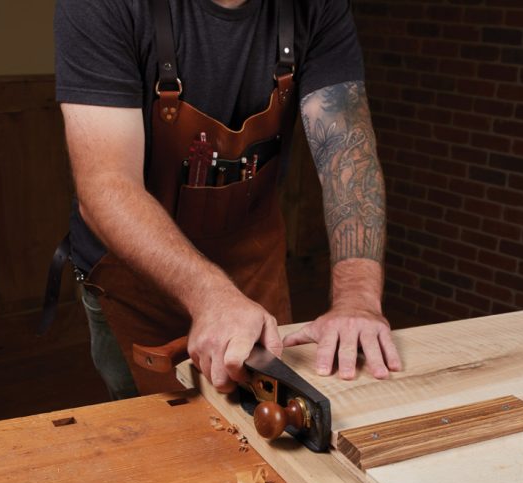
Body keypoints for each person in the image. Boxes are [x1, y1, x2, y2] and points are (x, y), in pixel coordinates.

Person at [54, 0, 401, 398]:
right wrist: (210, 295)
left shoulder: (317, 7)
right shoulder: (101, 7)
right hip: (134, 277)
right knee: (159, 442)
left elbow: (348, 155)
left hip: (252, 263)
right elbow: (105, 184)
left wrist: (358, 298)